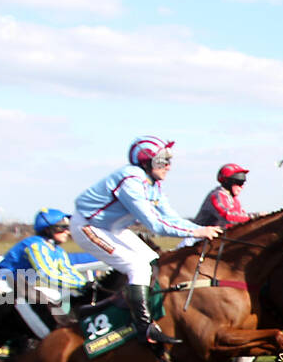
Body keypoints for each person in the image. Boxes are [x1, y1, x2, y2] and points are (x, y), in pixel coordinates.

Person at [72, 136, 221, 347]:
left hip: (111, 228)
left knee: (153, 260)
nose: (168, 166)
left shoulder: (153, 184)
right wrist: (197, 231)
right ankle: (144, 328)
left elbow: (171, 217)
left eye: (169, 160)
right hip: (87, 227)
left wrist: (201, 230)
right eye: (162, 161)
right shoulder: (131, 180)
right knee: (137, 265)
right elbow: (155, 224)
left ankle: (136, 307)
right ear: (146, 162)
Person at [0, 208, 89, 339]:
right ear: (49, 228)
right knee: (54, 300)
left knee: (63, 296)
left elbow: (69, 271)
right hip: (5, 287)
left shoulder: (58, 250)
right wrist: (81, 285)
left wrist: (85, 284)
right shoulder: (35, 245)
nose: (67, 231)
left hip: (24, 287)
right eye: (63, 227)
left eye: (68, 227)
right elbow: (48, 275)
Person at [194, 164, 252, 228]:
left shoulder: (234, 199)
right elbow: (228, 218)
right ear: (228, 182)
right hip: (201, 236)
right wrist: (256, 216)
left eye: (243, 183)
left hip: (218, 236)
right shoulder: (217, 196)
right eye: (239, 183)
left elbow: (242, 216)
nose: (242, 187)